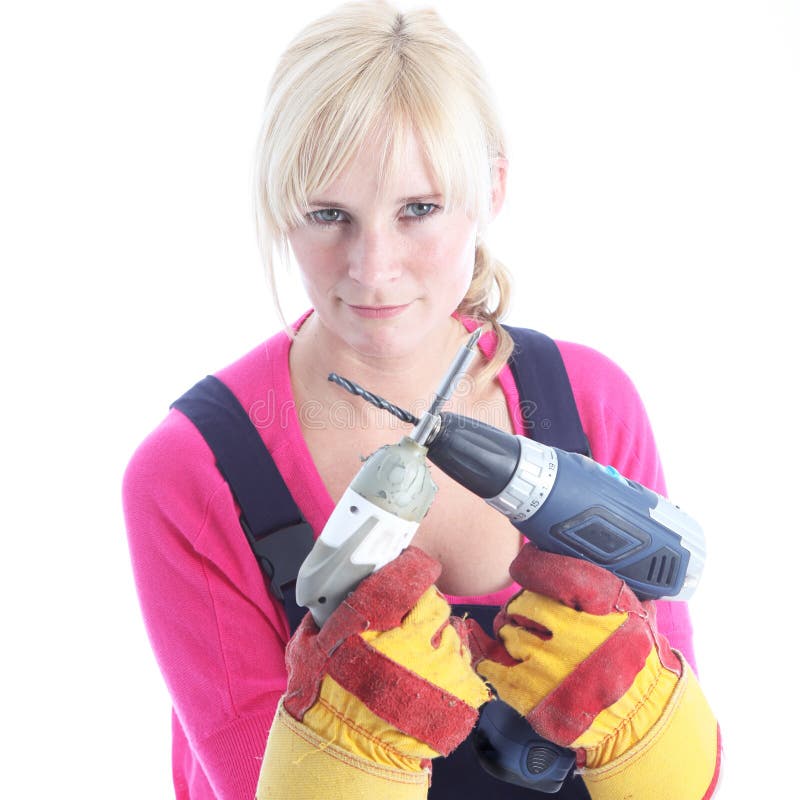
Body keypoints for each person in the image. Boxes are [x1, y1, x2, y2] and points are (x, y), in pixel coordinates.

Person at [122, 3, 721, 799]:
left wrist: (642, 723)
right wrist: (349, 736)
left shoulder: (592, 404)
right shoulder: (191, 472)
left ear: (493, 188)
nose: (373, 268)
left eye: (419, 209)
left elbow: (692, 778)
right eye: (328, 214)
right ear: (279, 207)